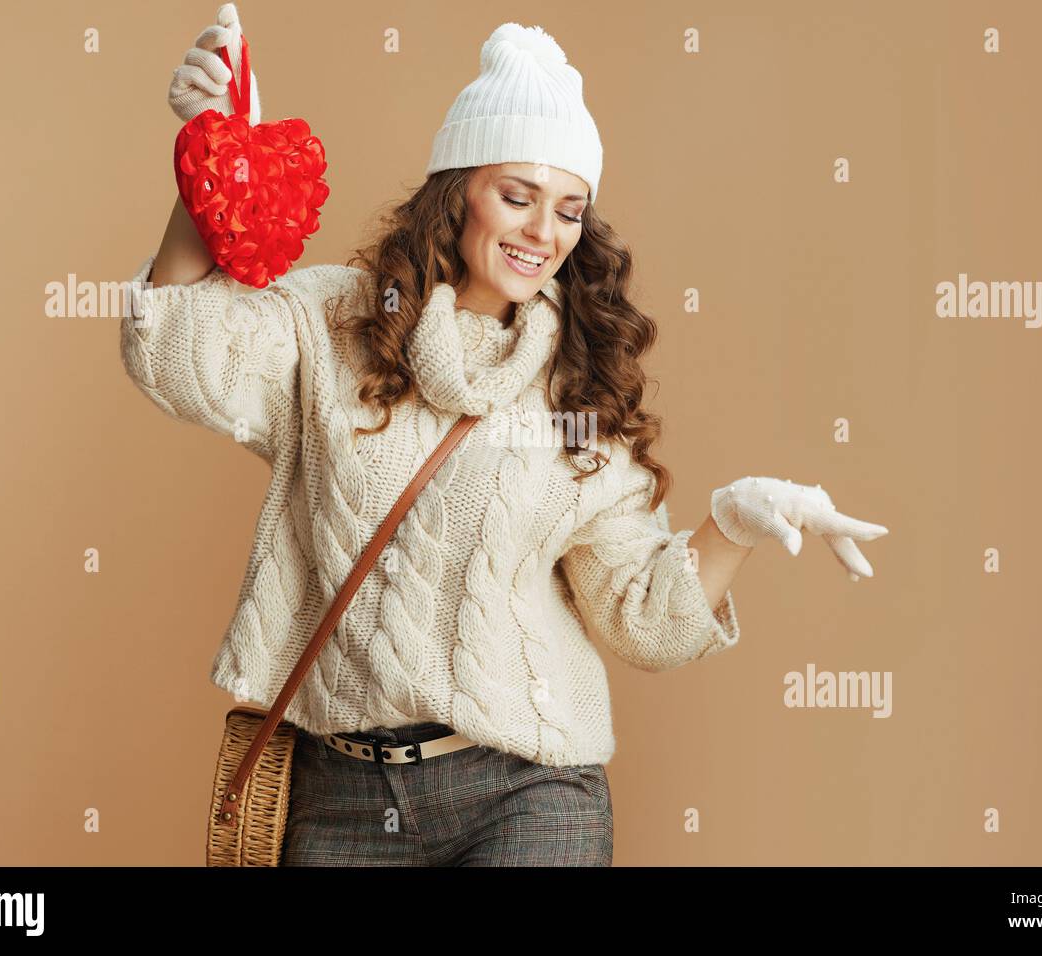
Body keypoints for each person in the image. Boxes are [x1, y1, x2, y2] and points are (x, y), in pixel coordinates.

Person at [121, 4, 889, 867]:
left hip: (525, 788)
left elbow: (642, 619)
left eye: (568, 209)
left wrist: (735, 524)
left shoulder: (579, 387)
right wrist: (214, 167)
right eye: (517, 196)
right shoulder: (336, 320)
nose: (541, 232)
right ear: (456, 196)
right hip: (340, 792)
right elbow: (182, 359)